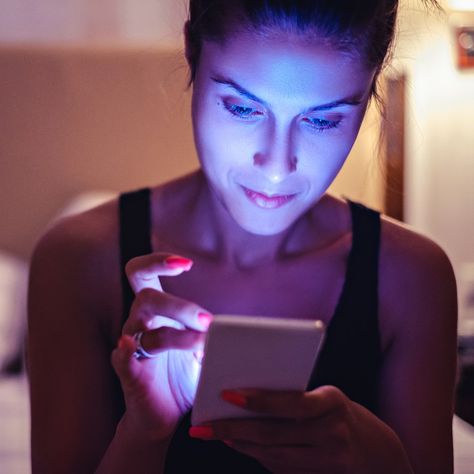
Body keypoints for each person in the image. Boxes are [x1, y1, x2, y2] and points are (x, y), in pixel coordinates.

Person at [27, 1, 457, 473]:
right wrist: (144, 433)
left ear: (373, 80)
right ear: (193, 51)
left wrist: (384, 462)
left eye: (322, 119)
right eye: (242, 107)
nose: (276, 167)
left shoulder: (413, 278)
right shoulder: (77, 259)